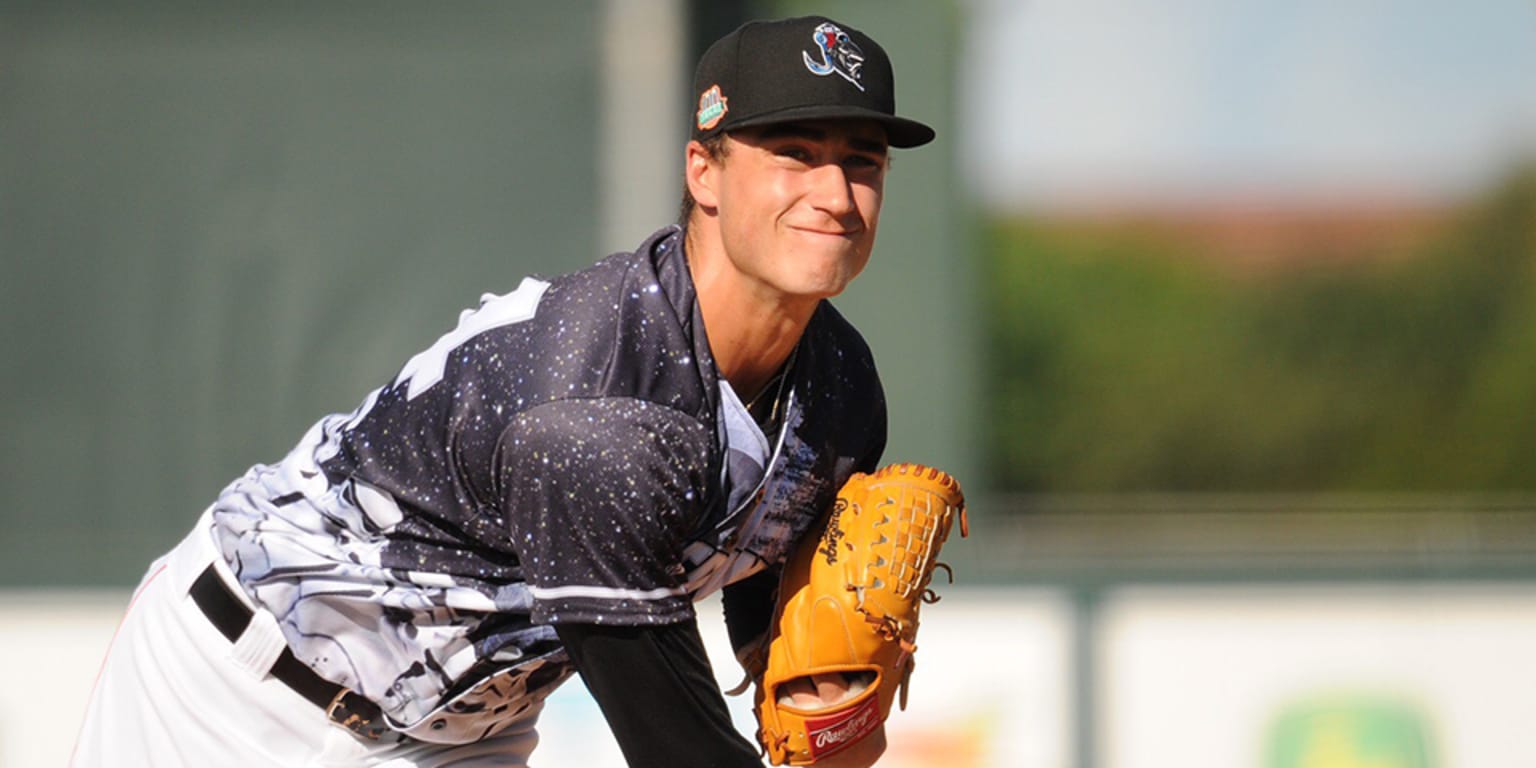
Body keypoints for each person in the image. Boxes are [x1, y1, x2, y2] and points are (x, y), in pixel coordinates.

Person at [71, 14, 934, 768]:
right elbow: (671, 739)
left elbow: (764, 574)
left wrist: (816, 693)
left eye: (862, 163)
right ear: (704, 173)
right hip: (236, 686)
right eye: (794, 154)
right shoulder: (601, 407)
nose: (836, 194)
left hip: (463, 729)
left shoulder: (840, 391)